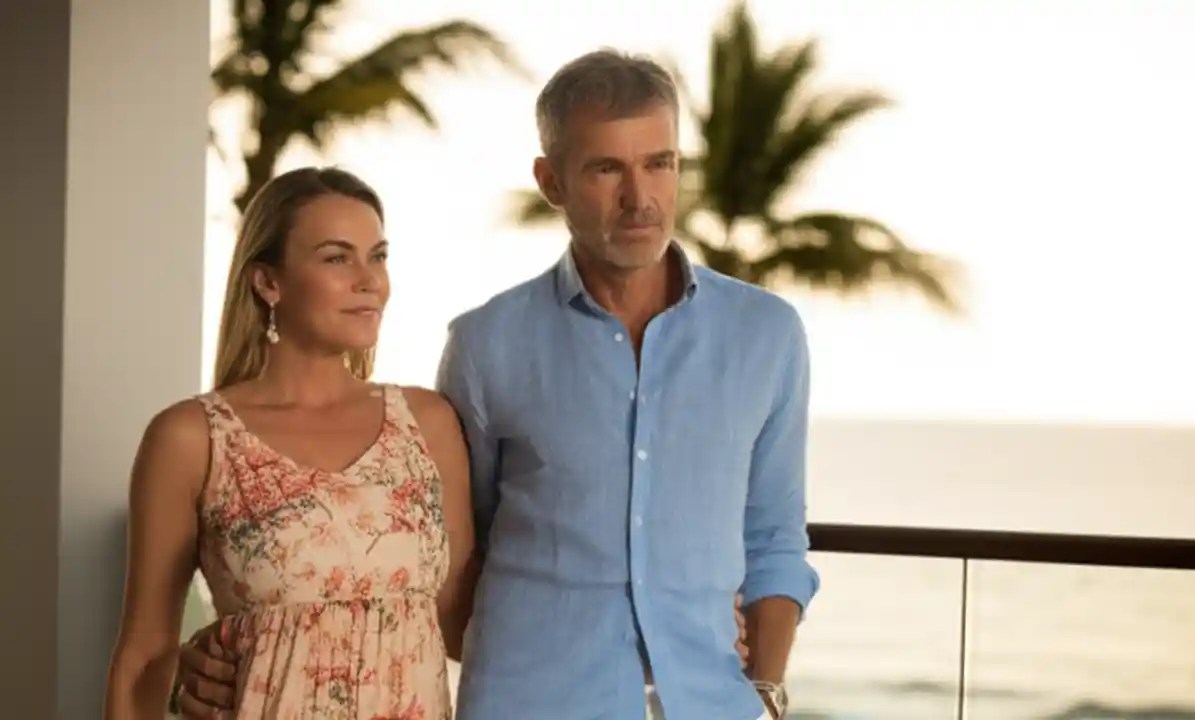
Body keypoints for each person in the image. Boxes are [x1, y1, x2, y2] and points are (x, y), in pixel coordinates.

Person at [174, 48, 816, 720]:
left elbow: (774, 537)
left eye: (660, 163)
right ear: (552, 181)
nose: (640, 198)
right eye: (606, 169)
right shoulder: (486, 346)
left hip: (710, 706)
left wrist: (764, 693)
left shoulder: (764, 335)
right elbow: (444, 556)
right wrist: (247, 644)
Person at [104, 167, 477, 719]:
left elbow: (465, 625)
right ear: (267, 282)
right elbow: (144, 655)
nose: (369, 280)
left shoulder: (428, 423)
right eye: (336, 258)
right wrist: (190, 669)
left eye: (377, 256)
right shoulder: (192, 438)